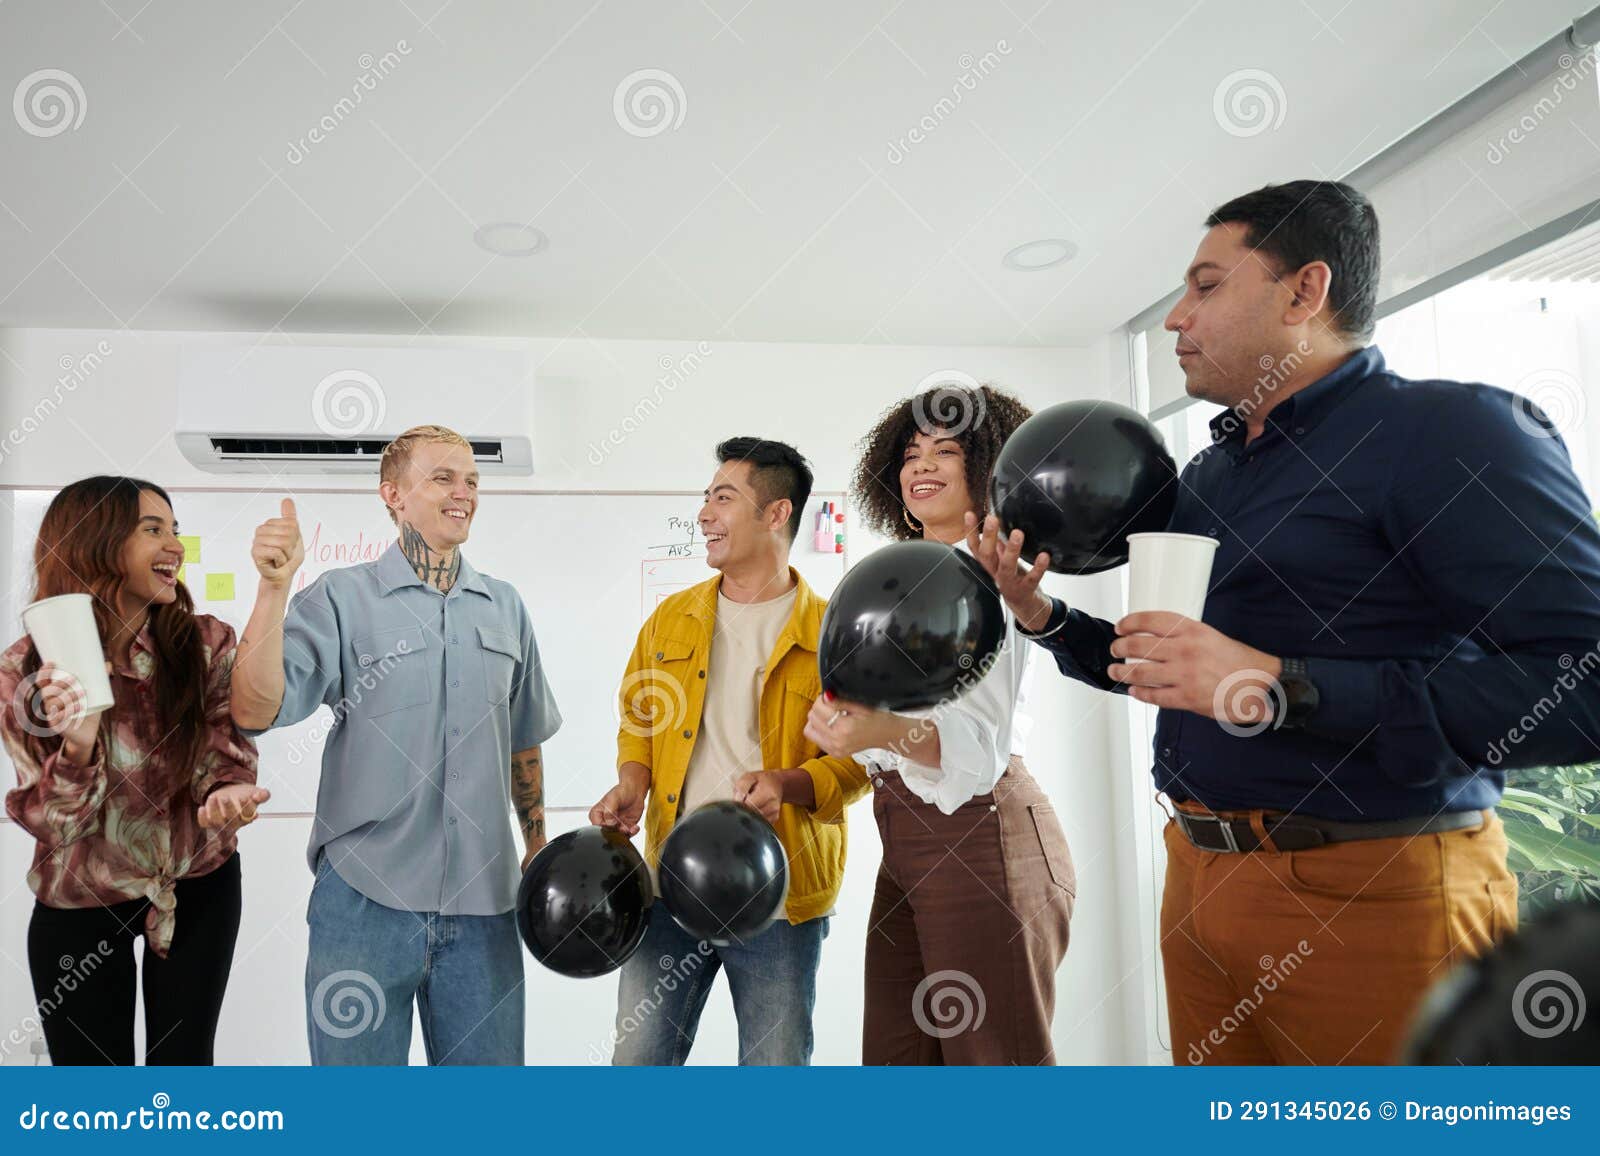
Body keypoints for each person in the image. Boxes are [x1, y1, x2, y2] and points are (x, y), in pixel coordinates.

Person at [968, 179, 1600, 1064]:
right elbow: (1163, 664)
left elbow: (1584, 684)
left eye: (1207, 285)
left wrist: (1280, 685)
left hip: (1380, 894)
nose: (1175, 319)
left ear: (1306, 291)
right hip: (1198, 876)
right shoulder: (1212, 477)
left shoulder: (1451, 432)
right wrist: (1039, 614)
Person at [230, 424, 561, 1065]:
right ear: (393, 495)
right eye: (442, 477)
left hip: (486, 907)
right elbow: (253, 707)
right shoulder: (338, 597)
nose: (463, 492)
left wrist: (538, 843)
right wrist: (274, 589)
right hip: (363, 903)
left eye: (471, 480)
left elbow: (523, 737)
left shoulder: (505, 607)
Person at [803, 386, 1075, 1065]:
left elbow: (975, 754)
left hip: (983, 833)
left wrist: (878, 732)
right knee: (899, 1062)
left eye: (946, 452)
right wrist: (855, 729)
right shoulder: (901, 579)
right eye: (910, 453)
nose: (921, 466)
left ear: (985, 470)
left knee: (995, 1071)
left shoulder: (992, 578)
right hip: (908, 836)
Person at [590, 437, 869, 1065]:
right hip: (667, 889)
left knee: (774, 1074)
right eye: (705, 499)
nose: (705, 515)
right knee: (638, 1065)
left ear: (776, 514)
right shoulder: (671, 619)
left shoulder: (834, 634)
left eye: (723, 498)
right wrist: (632, 782)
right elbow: (638, 719)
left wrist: (788, 783)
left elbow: (861, 761)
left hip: (780, 897)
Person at [1, 476, 266, 1065]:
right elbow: (50, 823)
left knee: (184, 1072)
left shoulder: (205, 645)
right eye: (154, 530)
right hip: (79, 899)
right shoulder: (24, 670)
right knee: (93, 1092)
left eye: (176, 530)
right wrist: (78, 746)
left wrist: (228, 792)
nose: (175, 545)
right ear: (97, 543)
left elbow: (227, 751)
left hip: (197, 887)